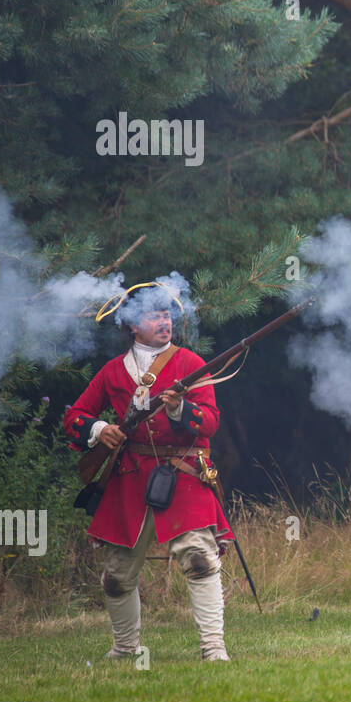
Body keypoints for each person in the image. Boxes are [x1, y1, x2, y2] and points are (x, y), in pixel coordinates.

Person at [63, 280, 232, 661]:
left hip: (183, 470)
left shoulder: (190, 363)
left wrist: (177, 410)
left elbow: (210, 422)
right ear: (131, 324)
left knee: (198, 558)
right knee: (117, 575)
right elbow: (73, 417)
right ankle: (125, 649)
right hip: (129, 477)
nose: (164, 319)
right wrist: (98, 429)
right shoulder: (112, 371)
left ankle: (213, 648)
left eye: (166, 312)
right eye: (153, 314)